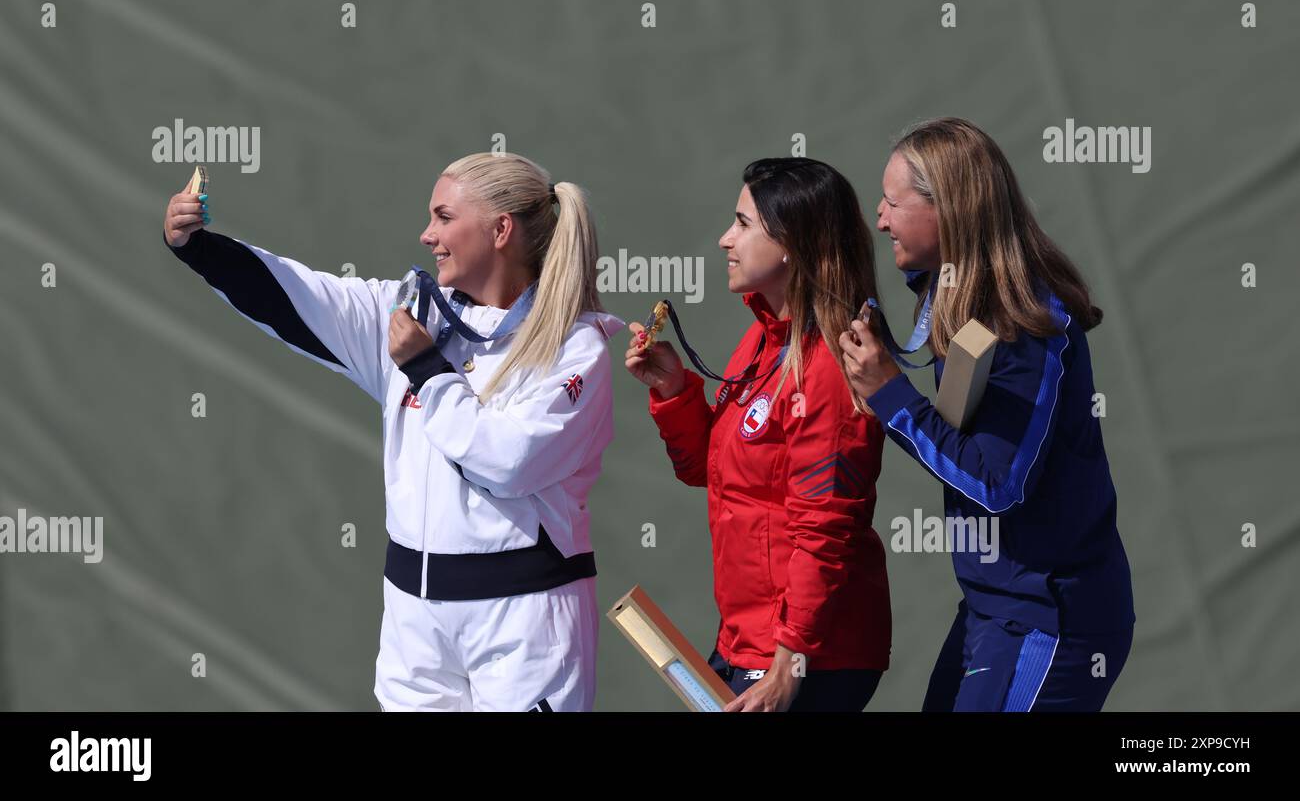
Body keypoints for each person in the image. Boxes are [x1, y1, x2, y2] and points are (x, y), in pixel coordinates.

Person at [162, 153, 624, 711]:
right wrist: (201, 249)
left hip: (525, 621)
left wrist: (427, 371)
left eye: (443, 217)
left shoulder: (575, 348)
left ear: (500, 230)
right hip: (416, 622)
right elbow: (299, 300)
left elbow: (509, 462)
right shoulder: (409, 314)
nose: (427, 235)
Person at [840, 117, 1135, 712]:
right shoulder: (961, 294)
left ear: (948, 211)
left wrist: (892, 397)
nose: (880, 218)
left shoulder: (1024, 325)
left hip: (1049, 618)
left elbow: (998, 484)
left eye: (894, 202)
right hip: (991, 606)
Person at [626, 158, 892, 712]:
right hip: (748, 643)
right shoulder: (762, 343)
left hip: (807, 660)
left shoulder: (827, 369)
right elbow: (710, 471)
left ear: (793, 241)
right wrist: (675, 390)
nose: (726, 239)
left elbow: (825, 531)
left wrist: (788, 666)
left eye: (744, 224)